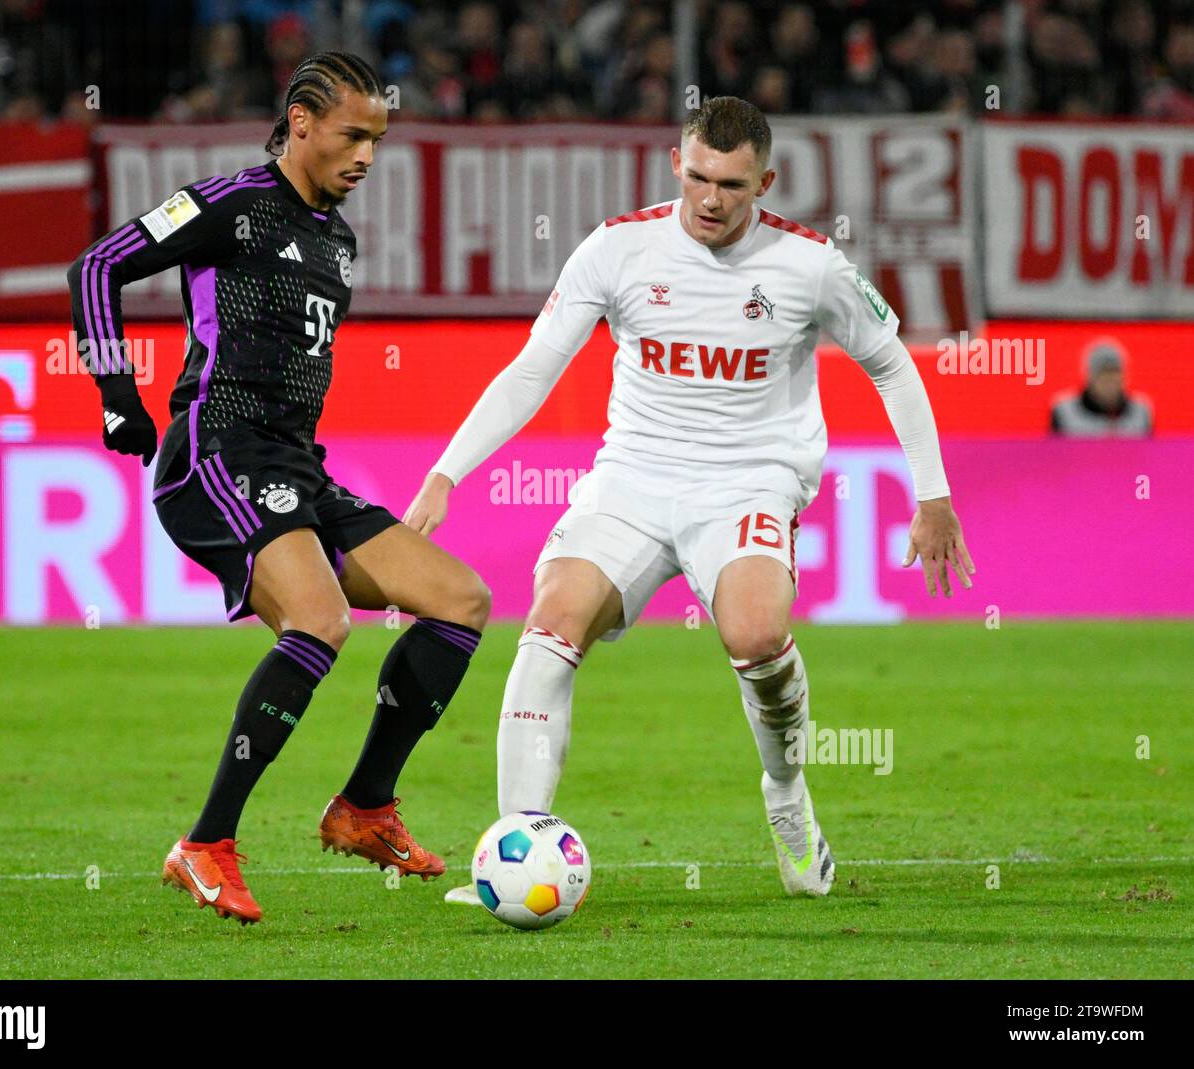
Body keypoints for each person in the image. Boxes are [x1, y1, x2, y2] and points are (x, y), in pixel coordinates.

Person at [404, 96, 974, 902]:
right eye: (698, 176)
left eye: (732, 185)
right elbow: (534, 368)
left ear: (765, 182)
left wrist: (934, 494)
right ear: (678, 163)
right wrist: (447, 473)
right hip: (633, 476)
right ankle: (518, 849)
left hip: (750, 479)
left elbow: (891, 364)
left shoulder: (809, 265)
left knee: (755, 631)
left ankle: (786, 797)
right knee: (551, 619)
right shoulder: (618, 248)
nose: (710, 199)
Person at [67, 52, 490, 925]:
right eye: (352, 134)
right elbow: (96, 267)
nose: (368, 153)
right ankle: (205, 843)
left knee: (461, 598)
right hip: (214, 454)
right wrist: (118, 397)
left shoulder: (337, 239)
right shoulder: (230, 206)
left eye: (378, 137)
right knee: (323, 617)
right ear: (301, 122)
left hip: (297, 465)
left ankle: (366, 805)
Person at [1050, 343, 1153, 436]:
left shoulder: (1140, 413)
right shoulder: (1065, 412)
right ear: (1089, 377)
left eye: (1114, 373)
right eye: (1102, 373)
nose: (1109, 380)